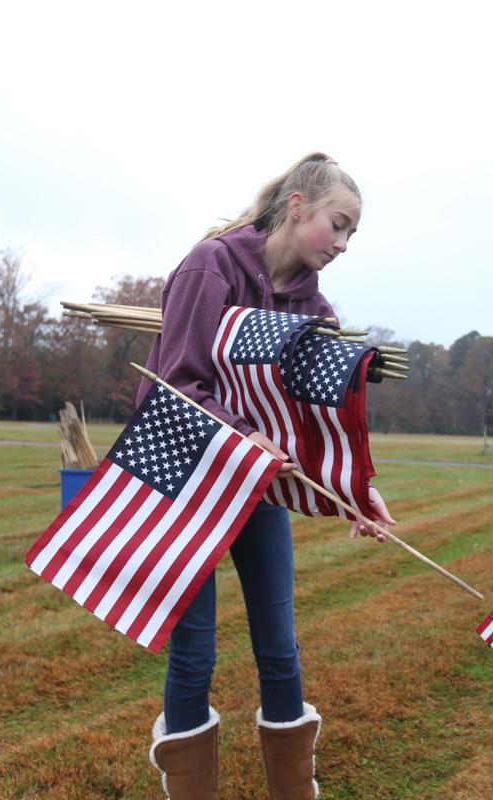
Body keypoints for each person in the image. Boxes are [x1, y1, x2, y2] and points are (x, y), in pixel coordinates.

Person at [137, 153, 396, 800]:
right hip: (188, 478)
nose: (342, 244)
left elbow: (316, 425)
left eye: (352, 234)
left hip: (257, 487)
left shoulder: (317, 312)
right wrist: (241, 433)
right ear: (297, 207)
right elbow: (175, 382)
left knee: (278, 646)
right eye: (338, 225)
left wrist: (358, 493)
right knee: (195, 651)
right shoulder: (211, 265)